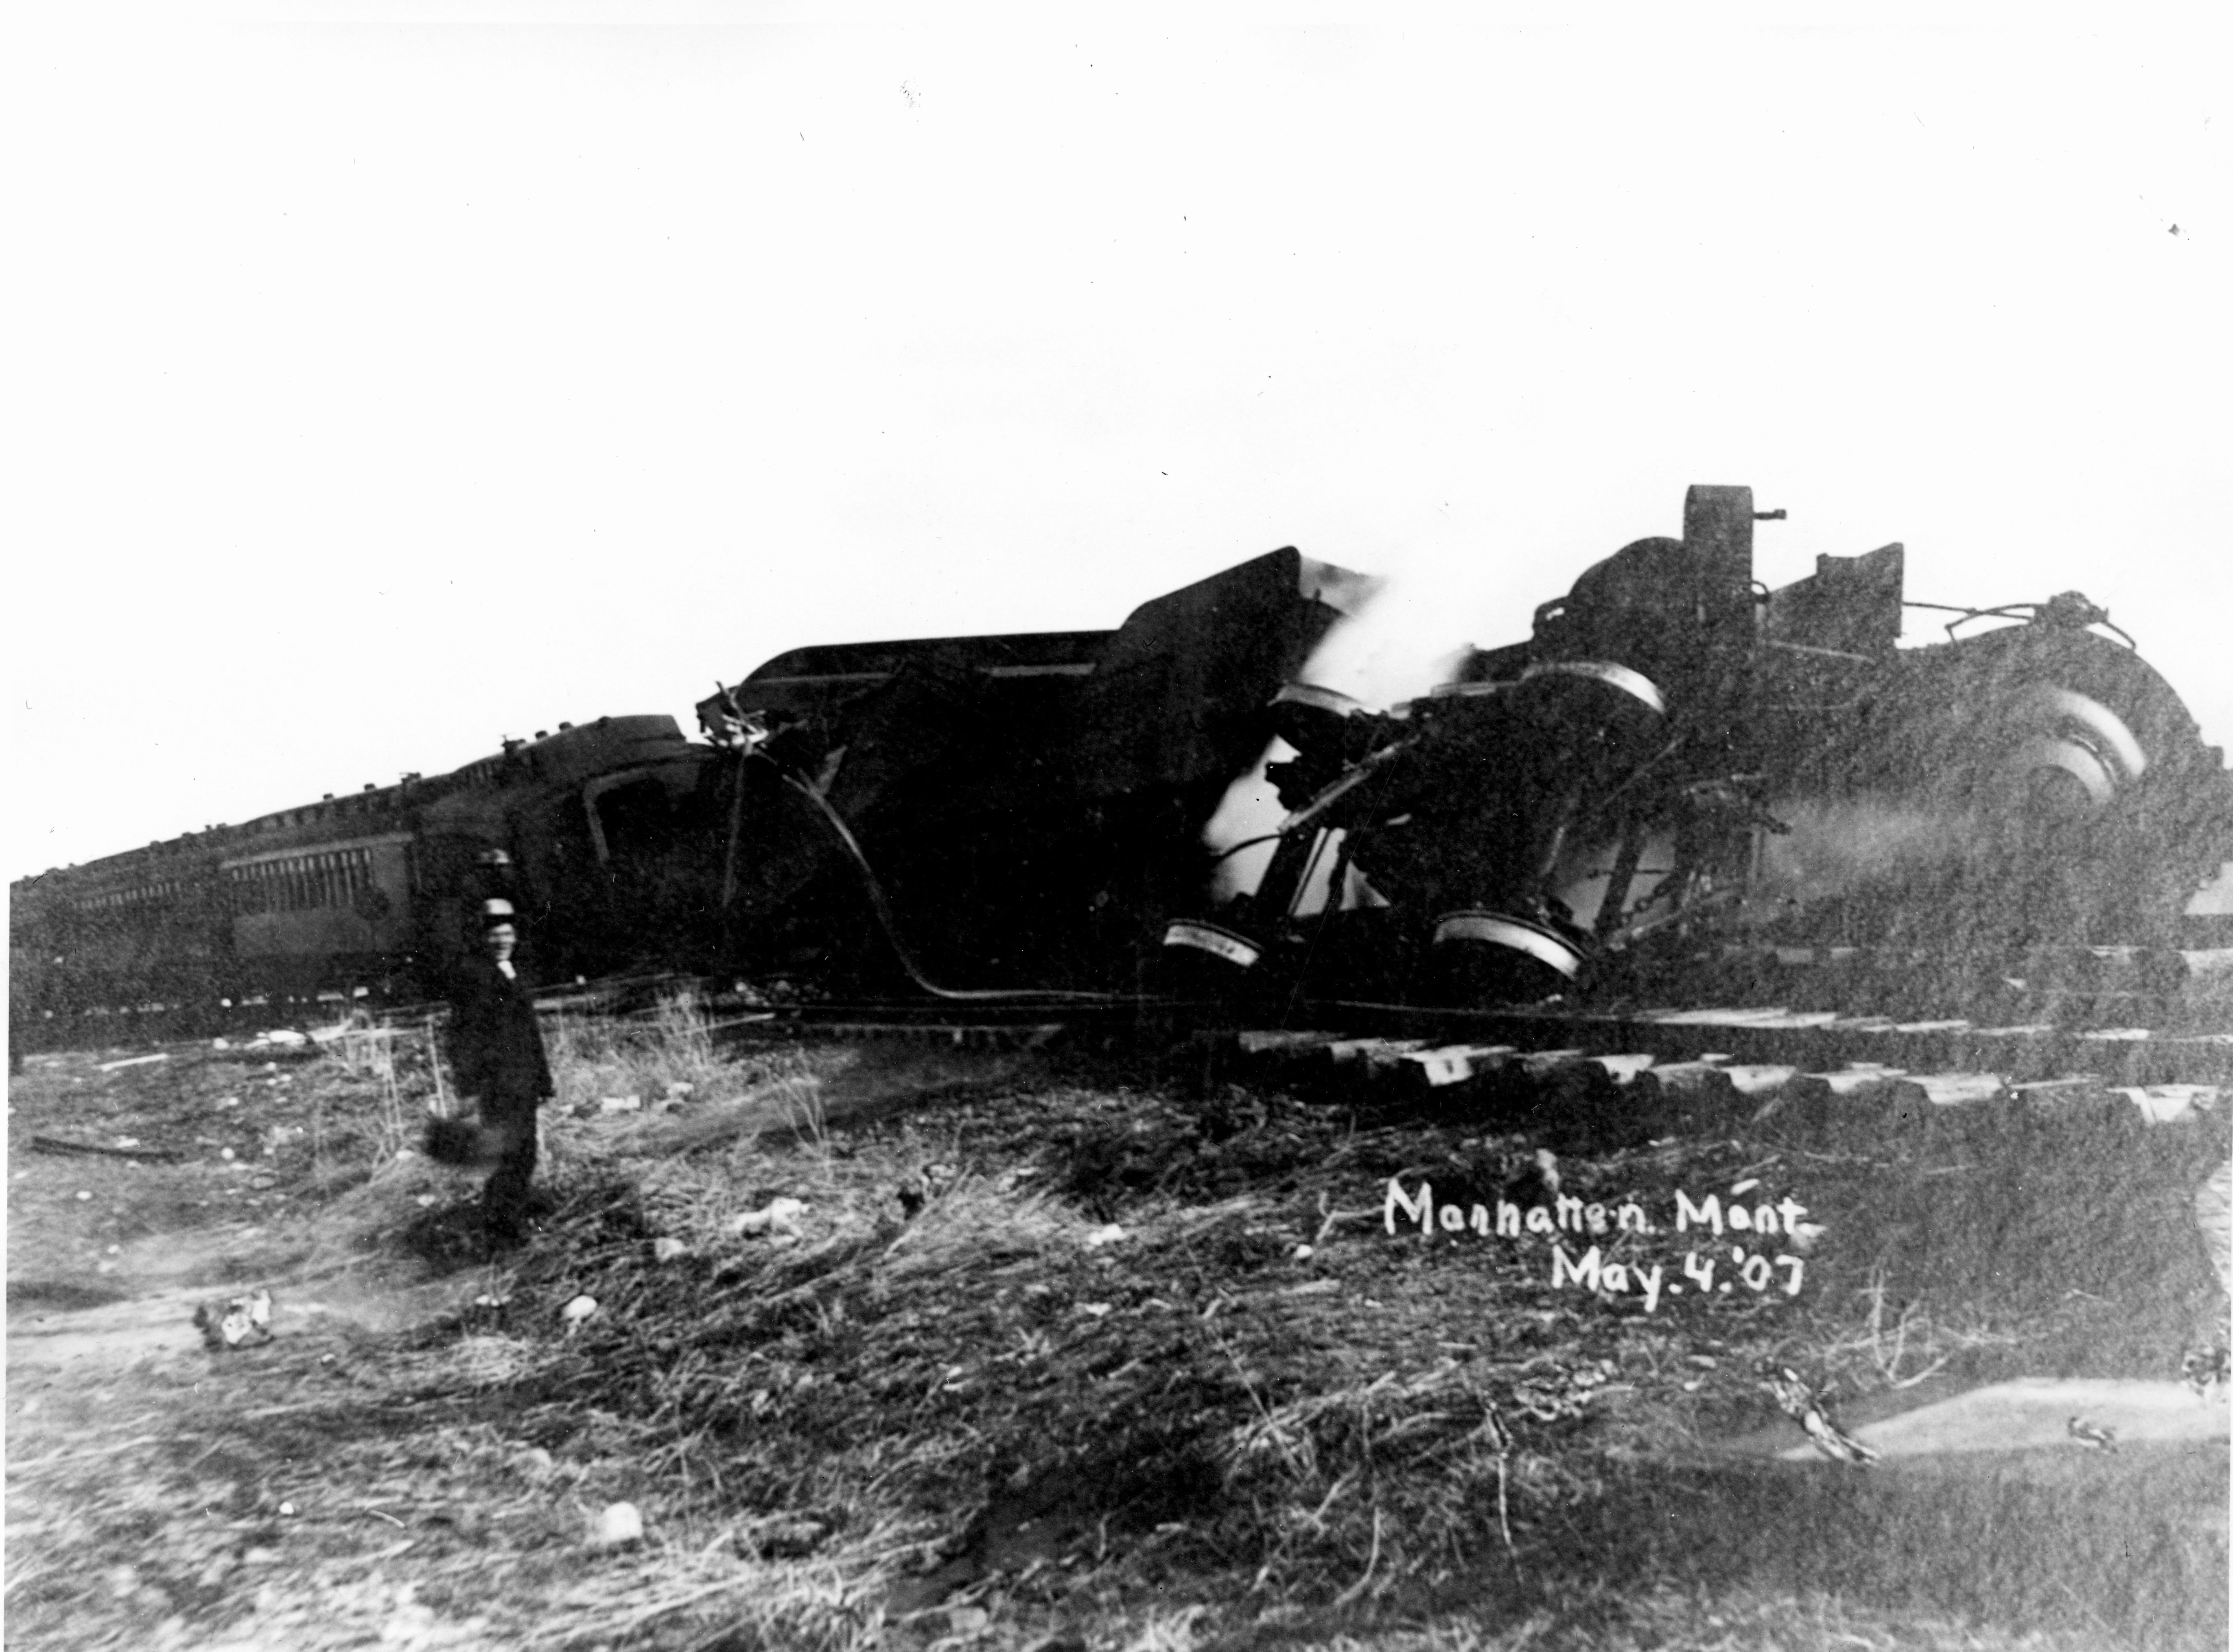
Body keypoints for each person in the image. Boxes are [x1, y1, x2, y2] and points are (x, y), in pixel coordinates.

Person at [446, 899, 555, 1247]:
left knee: (525, 1153)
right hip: (496, 1084)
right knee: (507, 1155)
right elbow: (461, 1038)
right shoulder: (472, 977)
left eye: (507, 934)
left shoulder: (512, 971)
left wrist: (543, 1080)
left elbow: (530, 1033)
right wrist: (468, 1088)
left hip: (523, 1081)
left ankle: (514, 1213)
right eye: (495, 935)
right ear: (483, 939)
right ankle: (501, 1230)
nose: (502, 941)